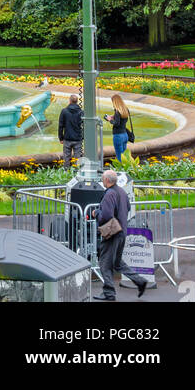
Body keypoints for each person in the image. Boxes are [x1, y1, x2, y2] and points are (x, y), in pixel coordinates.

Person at [93, 170, 147, 301]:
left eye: (102, 179)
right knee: (117, 263)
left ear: (106, 180)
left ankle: (109, 293)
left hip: (112, 233)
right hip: (122, 231)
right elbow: (127, 207)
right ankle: (139, 281)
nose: (102, 181)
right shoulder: (122, 192)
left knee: (105, 263)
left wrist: (97, 213)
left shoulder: (109, 194)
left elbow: (106, 215)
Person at [58, 93, 84, 165]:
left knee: (66, 158)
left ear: (69, 101)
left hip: (67, 138)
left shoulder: (64, 111)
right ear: (77, 101)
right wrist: (83, 136)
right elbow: (85, 125)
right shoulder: (81, 112)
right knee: (77, 159)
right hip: (78, 138)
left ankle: (67, 173)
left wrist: (61, 138)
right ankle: (77, 173)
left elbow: (60, 126)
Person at [106, 93, 133, 162]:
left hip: (118, 136)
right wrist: (114, 116)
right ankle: (126, 170)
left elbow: (117, 124)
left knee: (119, 157)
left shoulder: (117, 111)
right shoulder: (125, 110)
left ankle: (120, 171)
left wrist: (110, 120)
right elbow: (122, 120)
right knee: (124, 156)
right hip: (125, 135)